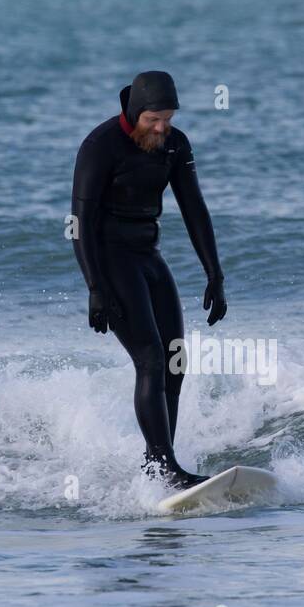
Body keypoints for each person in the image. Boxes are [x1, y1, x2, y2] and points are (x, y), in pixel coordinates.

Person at [71, 70, 227, 489]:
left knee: (175, 361)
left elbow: (194, 208)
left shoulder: (174, 144)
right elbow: (79, 221)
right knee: (151, 360)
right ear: (134, 111)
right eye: (152, 119)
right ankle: (165, 467)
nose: (161, 127)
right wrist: (95, 288)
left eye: (168, 118)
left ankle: (159, 466)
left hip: (148, 256)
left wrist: (215, 273)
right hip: (110, 258)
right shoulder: (100, 146)